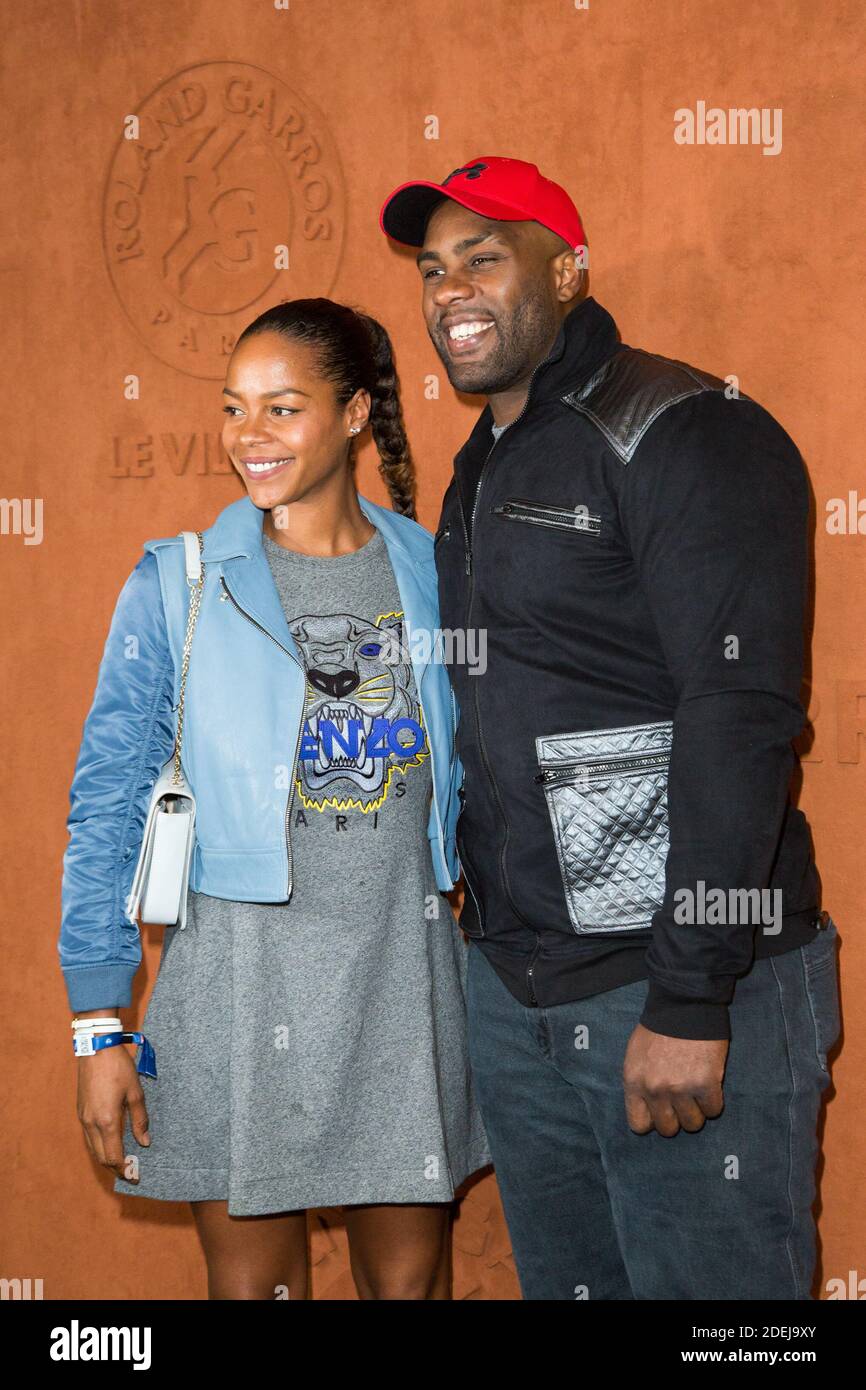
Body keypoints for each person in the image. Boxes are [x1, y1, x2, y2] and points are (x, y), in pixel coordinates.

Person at [379, 155, 841, 1300]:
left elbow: (738, 718)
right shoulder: (481, 463)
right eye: (433, 271)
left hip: (676, 990)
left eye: (483, 257)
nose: (449, 292)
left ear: (568, 271)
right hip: (521, 993)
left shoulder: (684, 429)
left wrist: (687, 995)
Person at [58, 297, 490, 1301]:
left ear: (349, 415)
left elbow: (484, 771)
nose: (247, 437)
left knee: (410, 1288)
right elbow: (106, 801)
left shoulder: (431, 571)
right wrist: (97, 1023)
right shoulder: (181, 581)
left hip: (399, 972)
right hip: (237, 980)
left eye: (281, 408)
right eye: (233, 408)